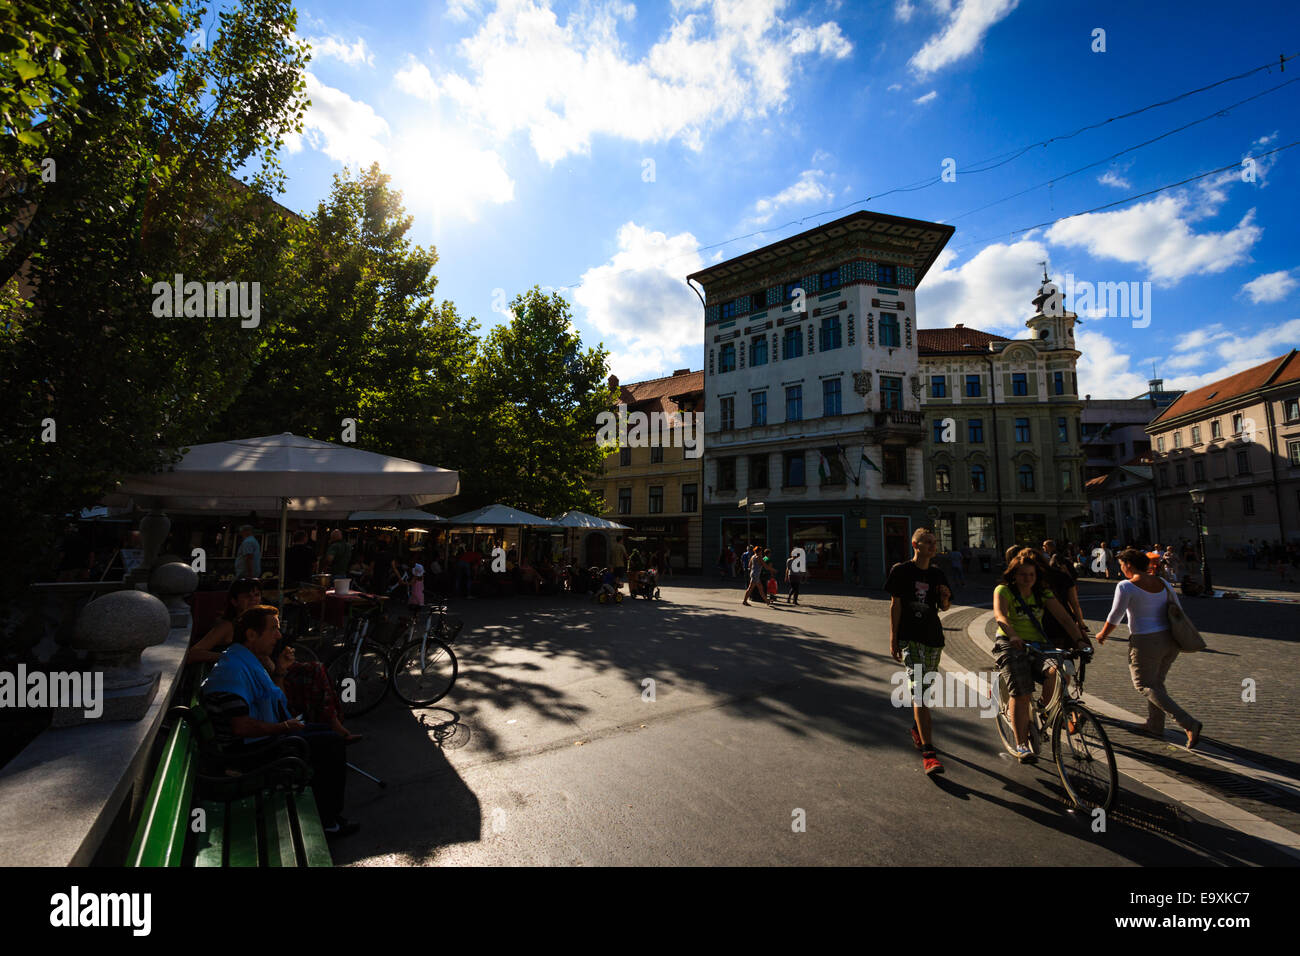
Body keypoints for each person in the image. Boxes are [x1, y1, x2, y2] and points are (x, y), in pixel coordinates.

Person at [201, 605, 357, 837]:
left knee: (324, 733)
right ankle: (328, 821)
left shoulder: (246, 660)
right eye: (273, 629)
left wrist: (281, 671)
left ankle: (326, 812)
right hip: (246, 753)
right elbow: (240, 726)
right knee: (330, 744)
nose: (279, 635)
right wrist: (283, 727)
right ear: (251, 635)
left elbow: (276, 700)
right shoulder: (233, 669)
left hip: (257, 743)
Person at [1096, 548, 1202, 749]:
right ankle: (1155, 724)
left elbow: (1115, 615)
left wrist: (1103, 634)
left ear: (1128, 564)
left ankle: (1188, 723)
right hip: (1170, 640)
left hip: (1146, 640)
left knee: (1143, 684)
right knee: (1157, 683)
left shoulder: (1126, 586)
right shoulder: (1162, 583)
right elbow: (1177, 607)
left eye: (1121, 566)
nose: (1121, 570)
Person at [993, 550, 1084, 762]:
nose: (1028, 579)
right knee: (1021, 693)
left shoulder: (1042, 592)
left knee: (1060, 671)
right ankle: (1021, 744)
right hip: (1010, 643)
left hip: (1039, 644)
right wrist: (1013, 635)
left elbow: (1063, 617)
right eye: (1023, 574)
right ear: (1014, 574)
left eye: (1031, 575)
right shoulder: (1004, 590)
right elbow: (1000, 616)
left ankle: (1044, 708)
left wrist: (1079, 640)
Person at [885, 528, 952, 775]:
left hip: (933, 638)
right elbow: (896, 605)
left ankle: (917, 727)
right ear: (915, 544)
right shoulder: (901, 571)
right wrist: (894, 638)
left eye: (934, 542)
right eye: (927, 542)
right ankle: (929, 753)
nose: (932, 546)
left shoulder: (937, 574)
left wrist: (945, 599)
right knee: (920, 693)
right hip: (910, 639)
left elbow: (944, 607)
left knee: (925, 690)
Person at [266, 637, 359, 743]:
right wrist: (280, 670)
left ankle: (332, 722)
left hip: (278, 668)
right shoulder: (256, 659)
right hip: (277, 680)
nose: (277, 634)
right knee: (315, 672)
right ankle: (331, 724)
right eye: (273, 629)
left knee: (317, 669)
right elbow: (280, 701)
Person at [186, 578, 264, 665]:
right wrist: (229, 656)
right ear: (234, 601)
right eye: (247, 596)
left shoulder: (259, 624)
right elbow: (193, 654)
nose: (253, 599)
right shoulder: (227, 626)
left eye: (257, 595)